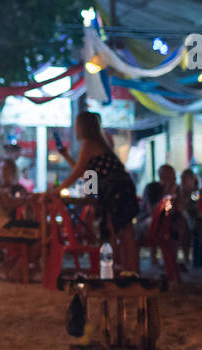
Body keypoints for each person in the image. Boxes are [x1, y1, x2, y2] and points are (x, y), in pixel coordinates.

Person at [46, 111, 138, 270]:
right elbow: (85, 173)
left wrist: (56, 191)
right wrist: (66, 156)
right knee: (123, 232)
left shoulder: (89, 144)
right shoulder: (98, 144)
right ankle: (130, 271)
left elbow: (77, 174)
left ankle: (123, 271)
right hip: (122, 189)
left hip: (115, 192)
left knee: (116, 232)